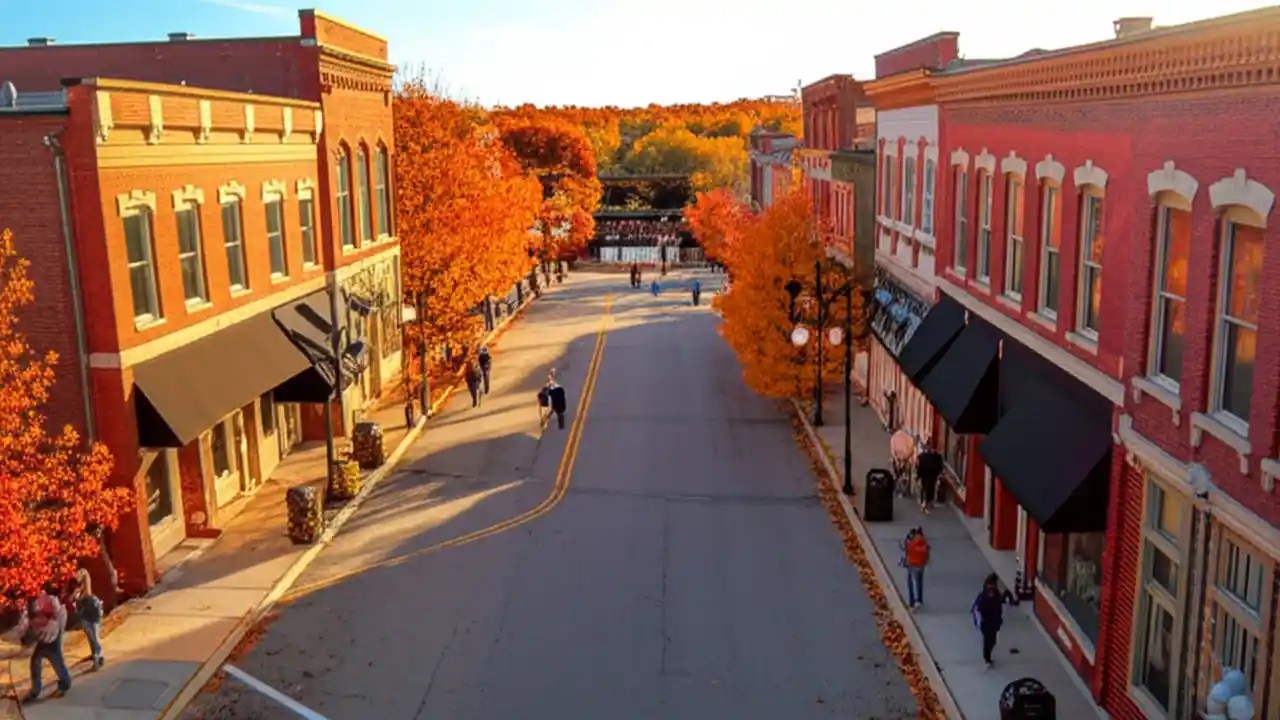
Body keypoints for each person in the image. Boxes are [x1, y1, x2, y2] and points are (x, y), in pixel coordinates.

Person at [22, 589, 71, 701]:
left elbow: (55, 622)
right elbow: (28, 627)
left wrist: (43, 634)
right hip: (43, 639)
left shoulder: (49, 604)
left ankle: (65, 683)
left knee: (57, 661)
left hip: (52, 638)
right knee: (35, 661)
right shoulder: (31, 613)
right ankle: (36, 690)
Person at [972, 573, 1017, 669]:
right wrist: (979, 622)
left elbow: (1002, 599)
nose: (991, 591)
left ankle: (988, 655)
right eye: (990, 589)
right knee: (987, 640)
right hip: (986, 622)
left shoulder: (996, 595)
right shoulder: (983, 598)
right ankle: (987, 658)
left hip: (995, 622)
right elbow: (977, 609)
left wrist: (1009, 600)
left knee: (993, 641)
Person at [72, 568, 104, 670]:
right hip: (90, 615)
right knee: (93, 637)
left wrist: (76, 598)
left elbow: (79, 600)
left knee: (93, 637)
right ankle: (96, 654)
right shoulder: (82, 590)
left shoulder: (83, 593)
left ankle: (97, 657)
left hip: (89, 615)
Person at [900, 528, 930, 610]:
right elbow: (927, 553)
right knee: (919, 582)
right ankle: (919, 600)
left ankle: (912, 602)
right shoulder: (924, 543)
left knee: (911, 583)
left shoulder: (910, 543)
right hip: (921, 565)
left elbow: (906, 550)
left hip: (912, 565)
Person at [916, 442, 944, 514]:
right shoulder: (934, 456)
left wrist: (918, 473)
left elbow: (918, 464)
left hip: (928, 474)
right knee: (928, 488)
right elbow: (939, 465)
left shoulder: (923, 455)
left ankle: (925, 503)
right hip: (929, 474)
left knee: (927, 488)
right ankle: (925, 503)